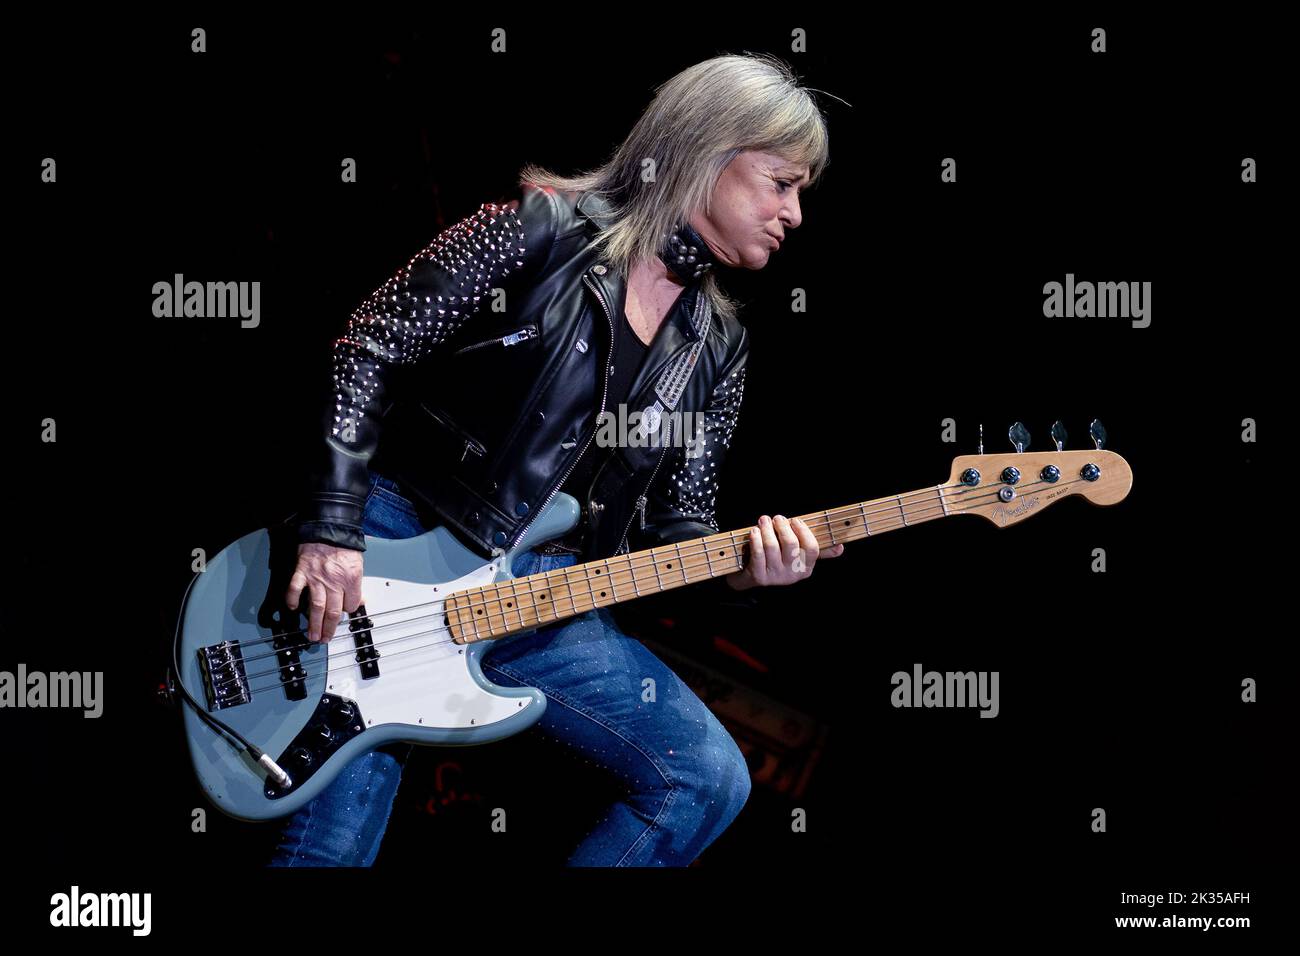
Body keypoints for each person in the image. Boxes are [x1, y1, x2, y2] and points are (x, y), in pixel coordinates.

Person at [271, 52, 842, 867]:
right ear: (709, 149)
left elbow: (676, 530)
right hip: (400, 547)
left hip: (546, 600)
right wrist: (332, 530)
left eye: (801, 194)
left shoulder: (718, 347)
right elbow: (368, 350)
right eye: (781, 182)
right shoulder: (533, 230)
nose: (794, 213)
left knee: (708, 776)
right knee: (332, 846)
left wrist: (748, 572)